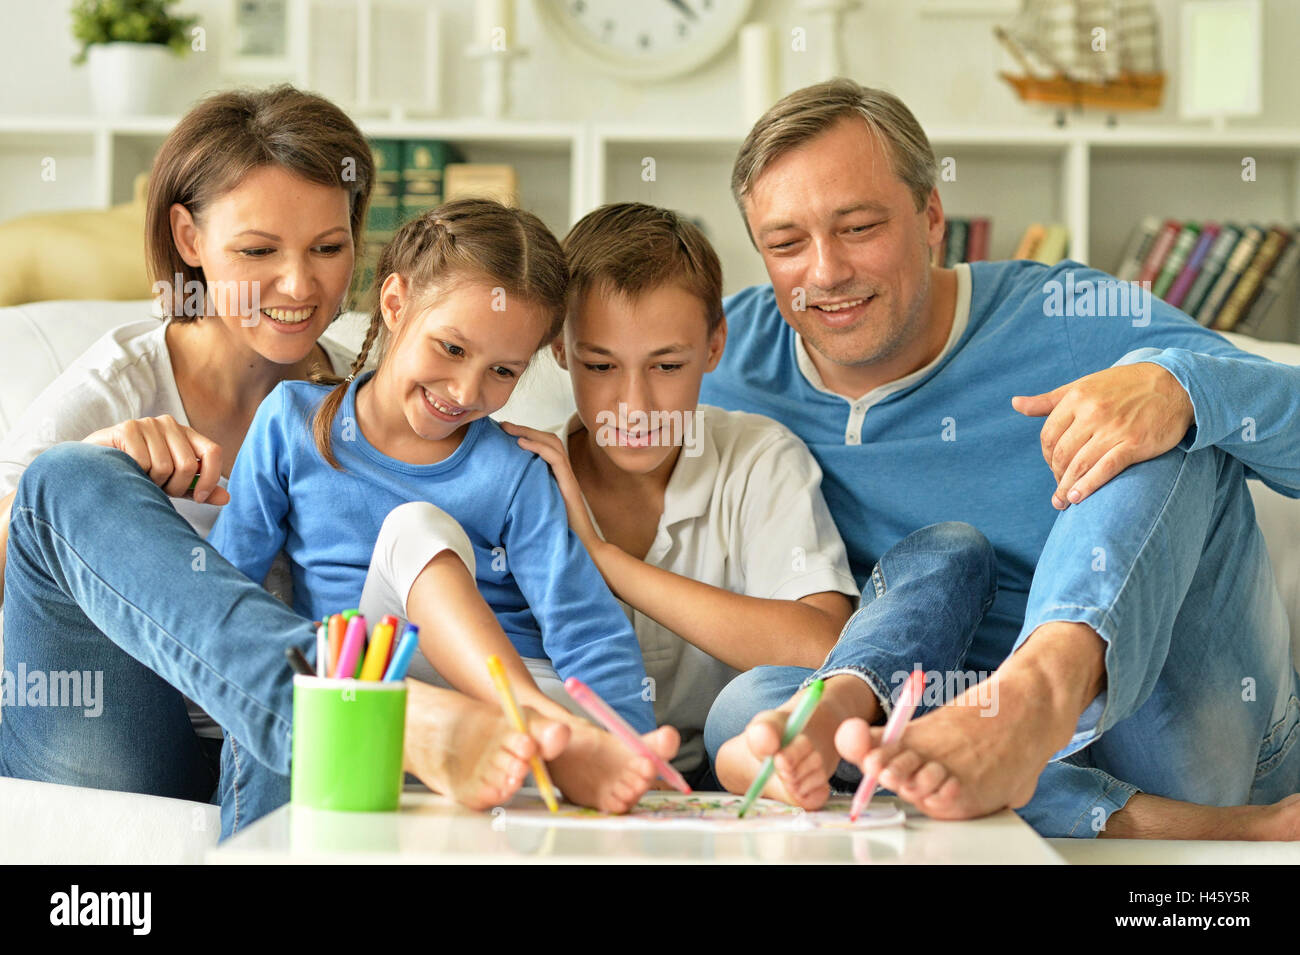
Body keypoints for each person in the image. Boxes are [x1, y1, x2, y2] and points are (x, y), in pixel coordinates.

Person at [702, 78, 1300, 840]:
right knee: (753, 714)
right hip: (965, 750)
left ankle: (1038, 700)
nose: (824, 272)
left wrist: (1183, 387)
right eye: (787, 244)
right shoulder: (718, 360)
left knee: (1157, 399)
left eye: (858, 227)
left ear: (931, 217)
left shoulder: (1065, 316)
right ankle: (1155, 821)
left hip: (1186, 731)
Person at [0, 88, 565, 838]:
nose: (299, 286)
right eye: (258, 251)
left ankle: (339, 705)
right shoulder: (120, 382)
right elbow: (25, 556)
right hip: (117, 737)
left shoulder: (387, 393)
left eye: (327, 248)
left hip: (279, 762)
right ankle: (355, 704)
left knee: (327, 638)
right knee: (67, 476)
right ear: (189, 237)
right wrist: (107, 458)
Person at [207, 197, 678, 813]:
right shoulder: (291, 422)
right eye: (452, 349)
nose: (465, 391)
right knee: (412, 528)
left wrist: (633, 747)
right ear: (395, 303)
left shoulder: (514, 468)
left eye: (503, 371)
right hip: (384, 700)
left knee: (416, 530)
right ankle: (528, 726)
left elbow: (584, 627)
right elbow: (223, 590)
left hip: (539, 705)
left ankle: (541, 730)